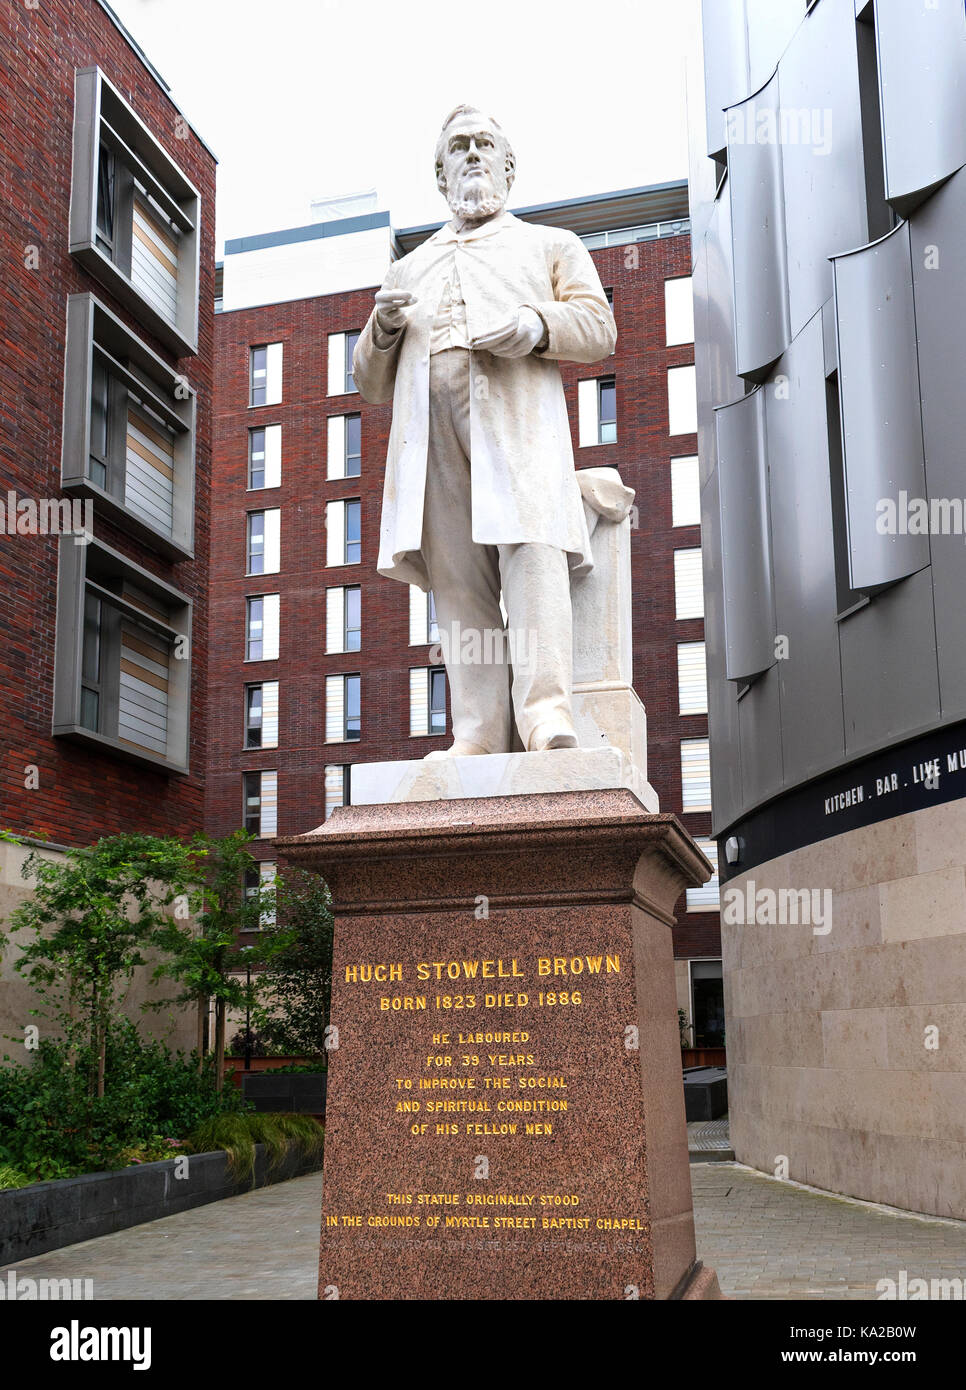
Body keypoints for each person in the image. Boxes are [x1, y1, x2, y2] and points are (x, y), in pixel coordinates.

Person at [352, 105, 617, 756]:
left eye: (484, 145)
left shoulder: (548, 245)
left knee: (532, 558)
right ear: (441, 175)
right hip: (429, 437)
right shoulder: (408, 267)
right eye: (458, 148)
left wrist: (537, 325)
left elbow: (600, 328)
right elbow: (368, 381)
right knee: (458, 580)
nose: (473, 155)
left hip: (515, 426)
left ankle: (545, 716)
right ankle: (477, 731)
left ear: (508, 166)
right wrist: (382, 328)